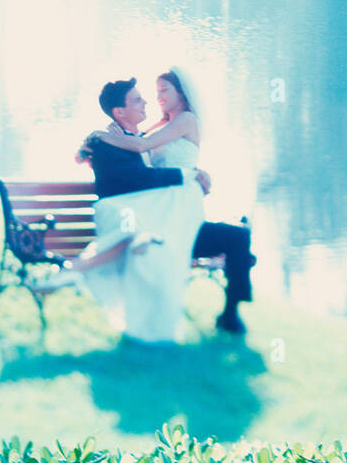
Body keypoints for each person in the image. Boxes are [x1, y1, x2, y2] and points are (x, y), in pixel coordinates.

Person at [91, 71, 255, 334]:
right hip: (165, 213)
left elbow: (141, 145)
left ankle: (231, 312)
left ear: (181, 92)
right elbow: (137, 144)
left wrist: (103, 136)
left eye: (164, 90)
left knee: (237, 238)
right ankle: (234, 304)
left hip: (181, 207)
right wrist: (94, 141)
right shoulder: (161, 125)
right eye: (156, 92)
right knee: (237, 239)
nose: (158, 98)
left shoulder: (186, 119)